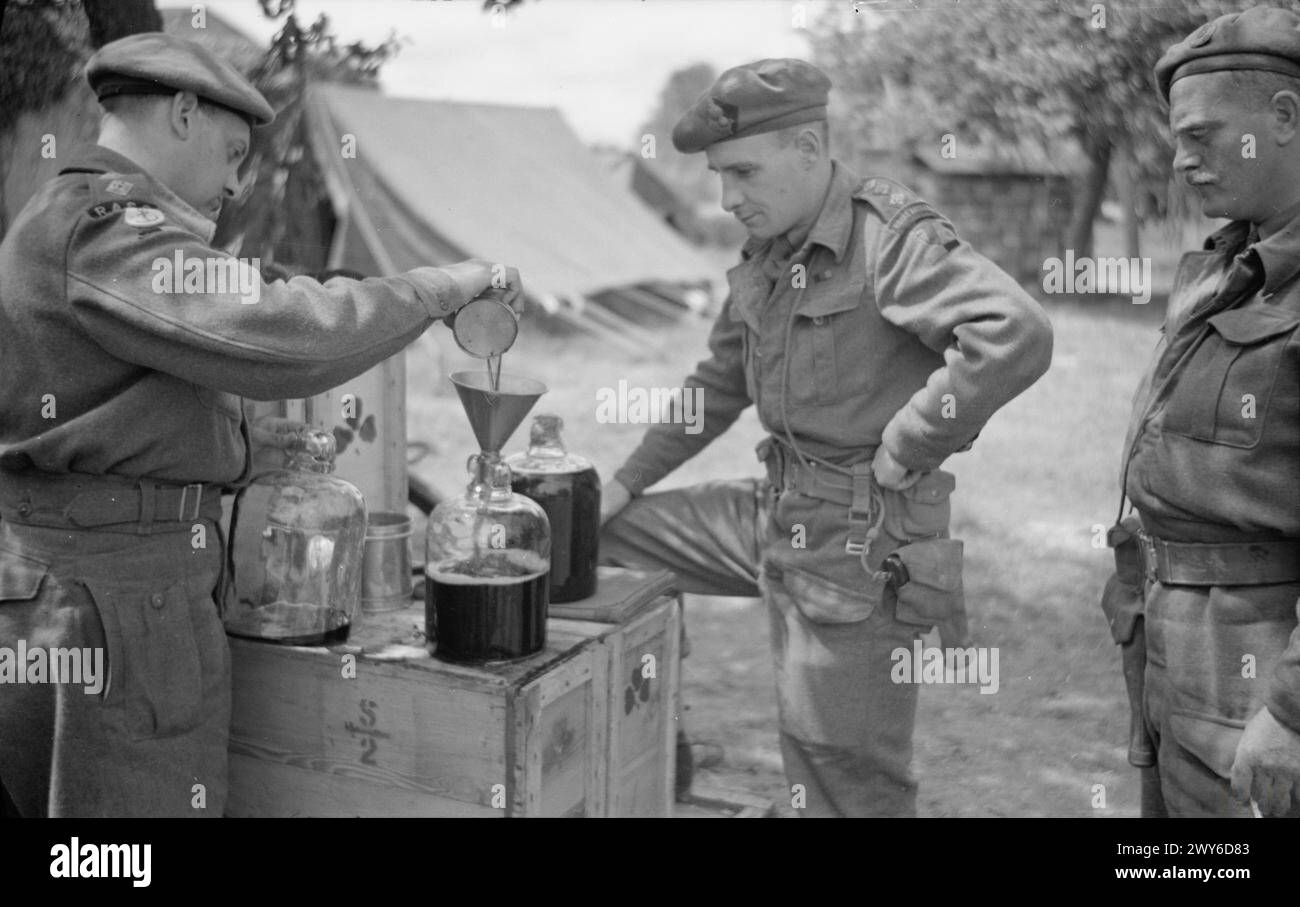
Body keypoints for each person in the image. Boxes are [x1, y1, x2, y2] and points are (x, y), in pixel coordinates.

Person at [0, 32, 523, 817]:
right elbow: (271, 328)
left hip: (102, 583)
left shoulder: (92, 226)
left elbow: (115, 408)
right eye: (233, 150)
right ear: (182, 111)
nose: (238, 183)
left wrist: (237, 446)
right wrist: (432, 290)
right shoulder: (103, 226)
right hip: (115, 597)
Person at [598, 58, 1053, 817]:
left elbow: (1016, 332)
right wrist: (622, 484)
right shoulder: (768, 250)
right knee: (606, 540)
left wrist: (912, 439)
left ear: (809, 150)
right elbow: (718, 383)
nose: (726, 197)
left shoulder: (888, 240)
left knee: (846, 776)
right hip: (773, 508)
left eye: (743, 172)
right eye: (718, 175)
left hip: (860, 533)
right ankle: (652, 761)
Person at [1103, 6, 1300, 818]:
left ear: (1285, 118)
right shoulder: (1224, 266)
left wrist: (1291, 713)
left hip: (1257, 669)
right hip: (1172, 649)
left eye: (1203, 136)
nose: (1181, 161)